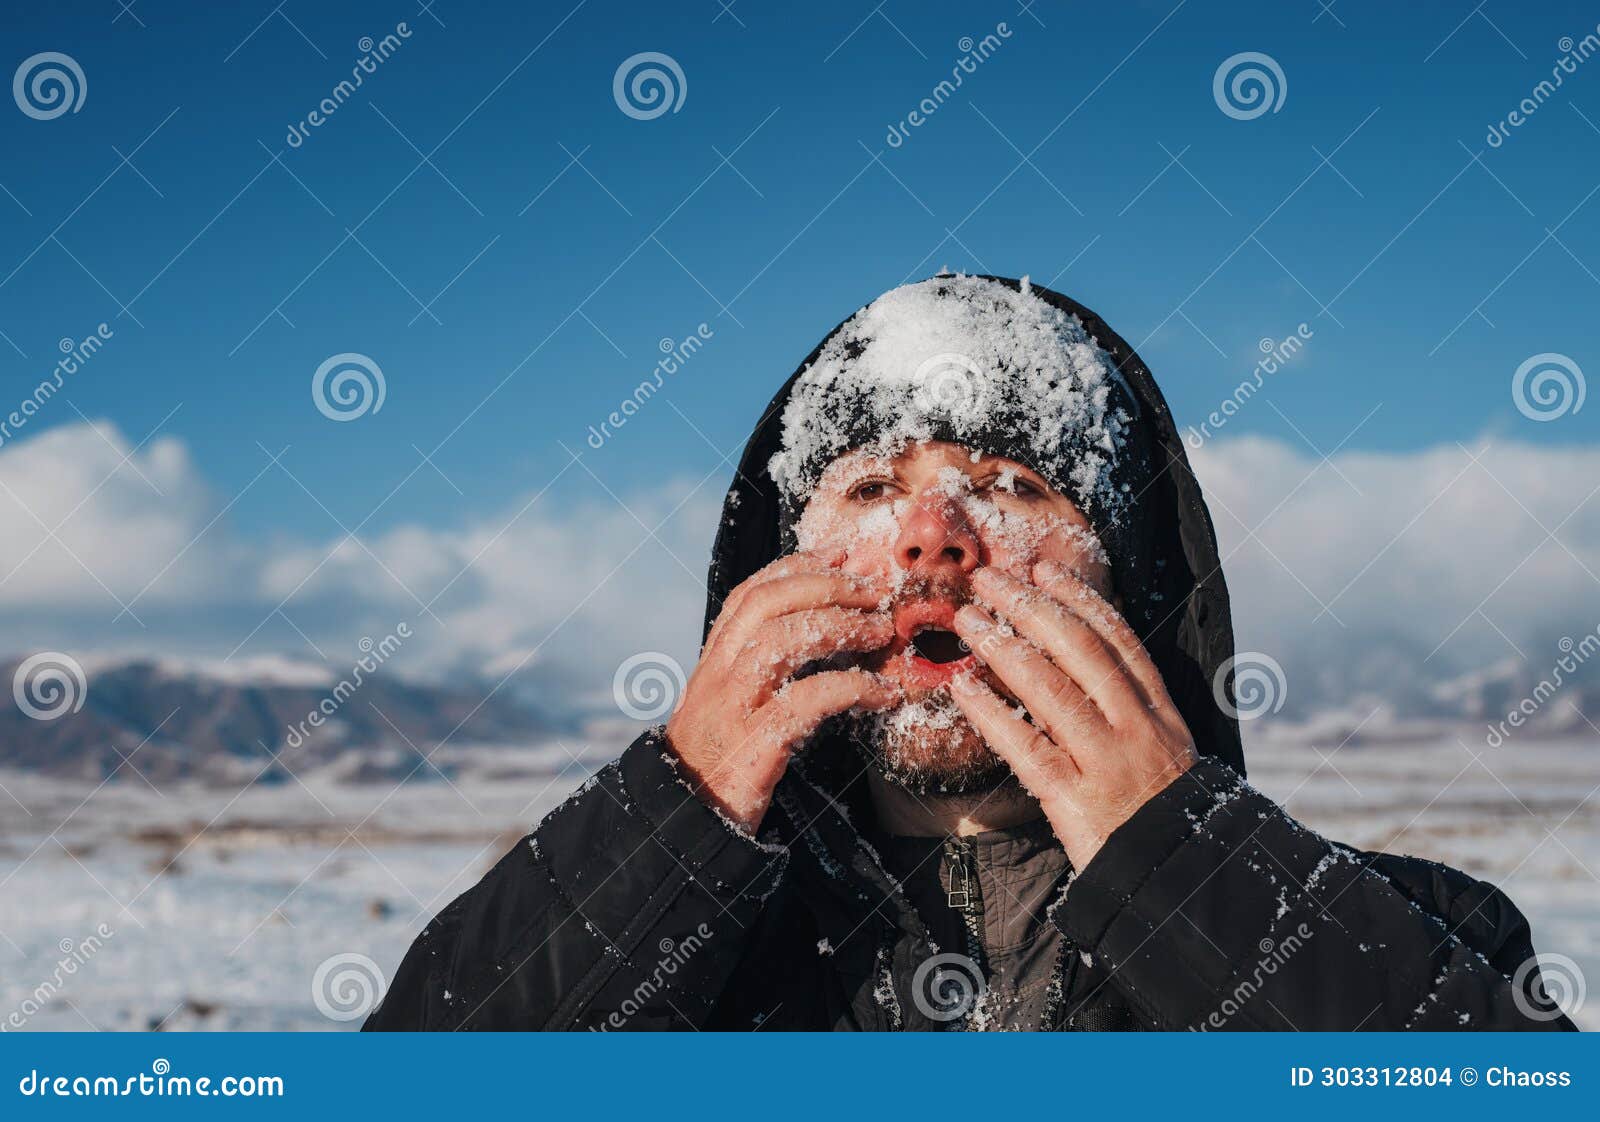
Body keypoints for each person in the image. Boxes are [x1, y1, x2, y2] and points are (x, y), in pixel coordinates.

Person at [366, 275, 1575, 1031]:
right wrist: (673, 824)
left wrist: (1191, 871)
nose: (930, 536)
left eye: (1006, 483)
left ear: (1129, 574)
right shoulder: (704, 973)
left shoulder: (1435, 934)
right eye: (873, 485)